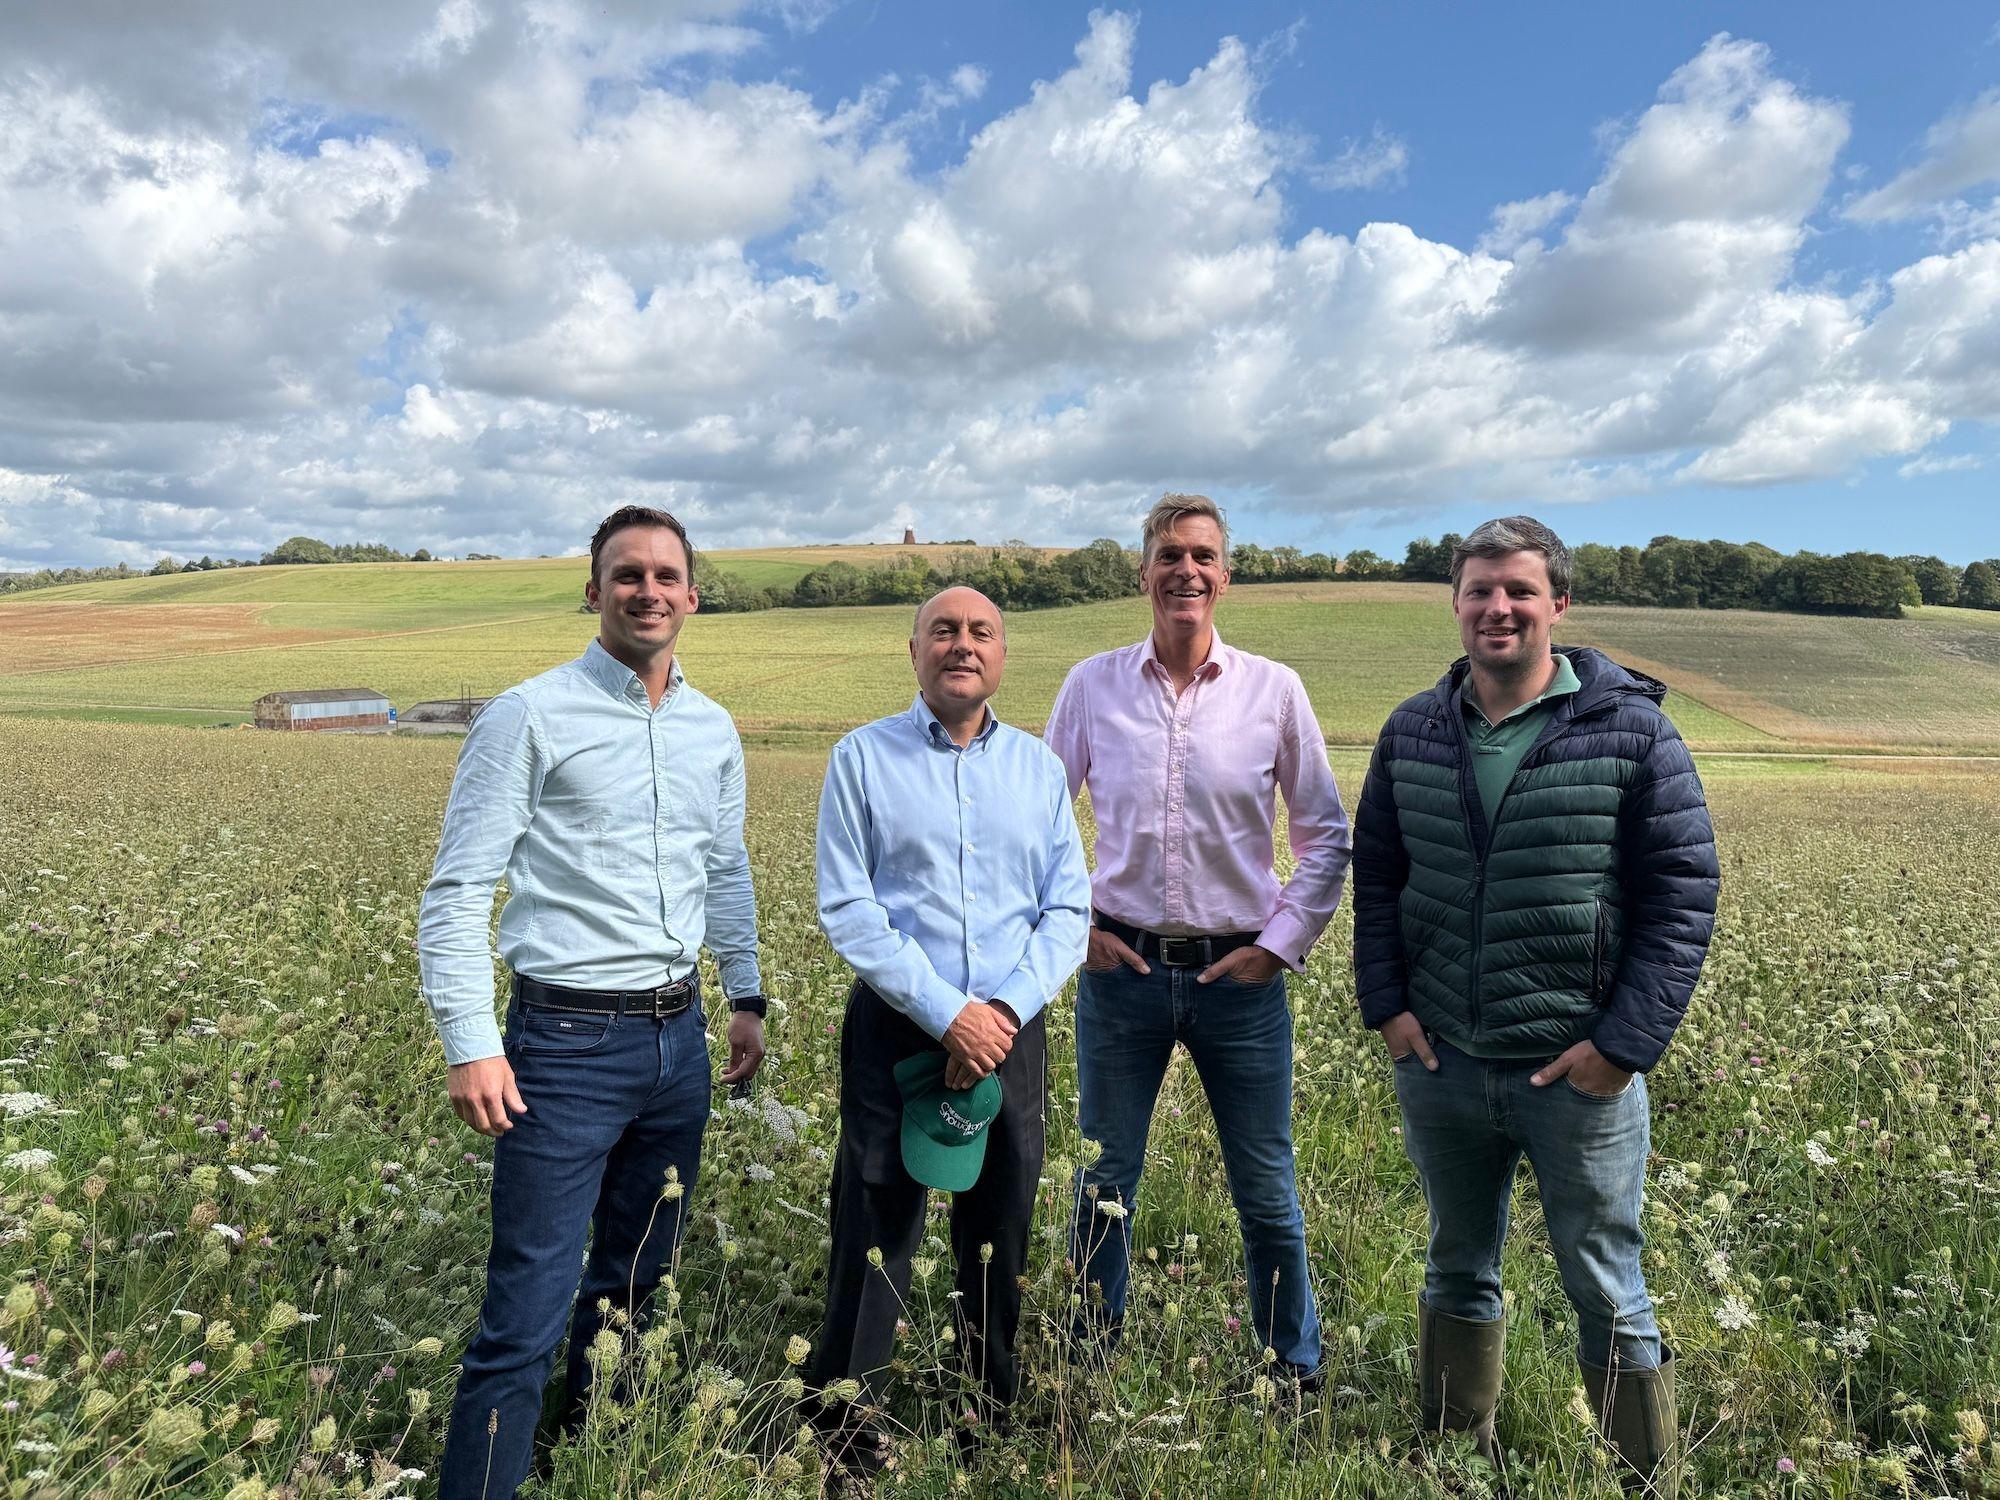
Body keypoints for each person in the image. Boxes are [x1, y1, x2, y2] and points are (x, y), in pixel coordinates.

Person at [1352, 515, 1718, 1494]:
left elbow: (1683, 893)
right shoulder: (1413, 729)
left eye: (1518, 589)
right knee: (1454, 1263)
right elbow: (1377, 876)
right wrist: (1387, 1008)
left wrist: (1622, 1046)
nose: (1497, 607)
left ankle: (1641, 1477)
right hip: (1442, 1061)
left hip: (1574, 1073)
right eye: (1479, 589)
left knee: (1606, 1284)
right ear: (1455, 602)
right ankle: (1451, 1461)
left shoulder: (1631, 730)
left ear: (1557, 602)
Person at [418, 506, 770, 1499]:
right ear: (594, 592)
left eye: (665, 575)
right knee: (526, 1313)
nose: (647, 591)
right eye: (627, 574)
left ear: (691, 595)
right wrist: (470, 1041)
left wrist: (743, 994)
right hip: (562, 1044)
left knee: (635, 1288)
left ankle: (589, 1464)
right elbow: (458, 889)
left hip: (678, 1042)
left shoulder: (711, 728)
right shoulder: (529, 715)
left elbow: (724, 868)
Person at [1044, 493, 1352, 1389]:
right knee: (1104, 1180)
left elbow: (1325, 834)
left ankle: (1291, 1370)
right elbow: (1035, 822)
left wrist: (1280, 944)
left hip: (1240, 979)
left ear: (1226, 576)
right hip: (1122, 972)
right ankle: (1088, 1361)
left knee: (1266, 1185)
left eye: (1203, 556)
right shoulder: (1091, 685)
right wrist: (1077, 928)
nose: (1187, 570)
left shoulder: (1274, 690)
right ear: (1143, 573)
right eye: (1170, 555)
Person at [807, 585, 1090, 1476]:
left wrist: (999, 1014)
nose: (962, 644)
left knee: (1000, 1218)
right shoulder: (862, 758)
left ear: (1002, 654)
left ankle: (986, 1417)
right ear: (914, 650)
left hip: (1011, 1030)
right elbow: (849, 906)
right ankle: (846, 1427)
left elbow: (1067, 910)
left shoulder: (1039, 770)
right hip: (898, 1026)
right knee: (876, 1217)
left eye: (980, 632)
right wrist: (946, 1013)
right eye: (943, 630)